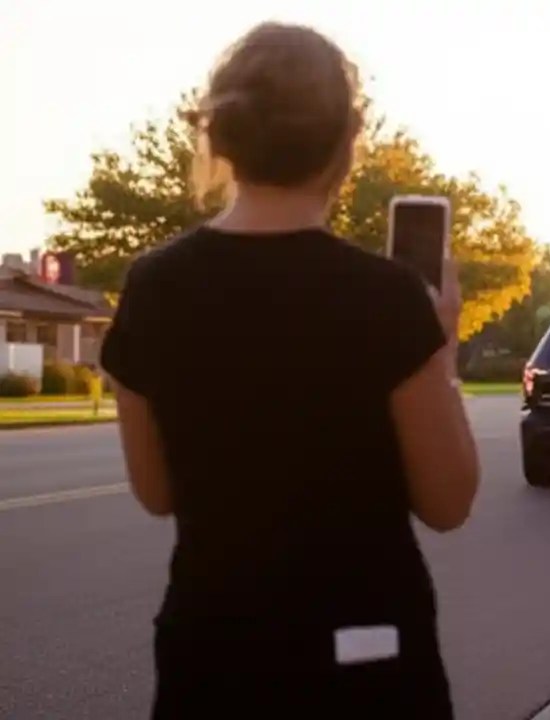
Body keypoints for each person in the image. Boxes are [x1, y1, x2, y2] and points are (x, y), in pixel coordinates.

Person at [101, 22, 479, 719]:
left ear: (221, 137)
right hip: (366, 659)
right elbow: (448, 503)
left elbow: (157, 493)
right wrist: (443, 352)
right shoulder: (388, 297)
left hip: (212, 658)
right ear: (345, 145)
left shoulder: (154, 286)